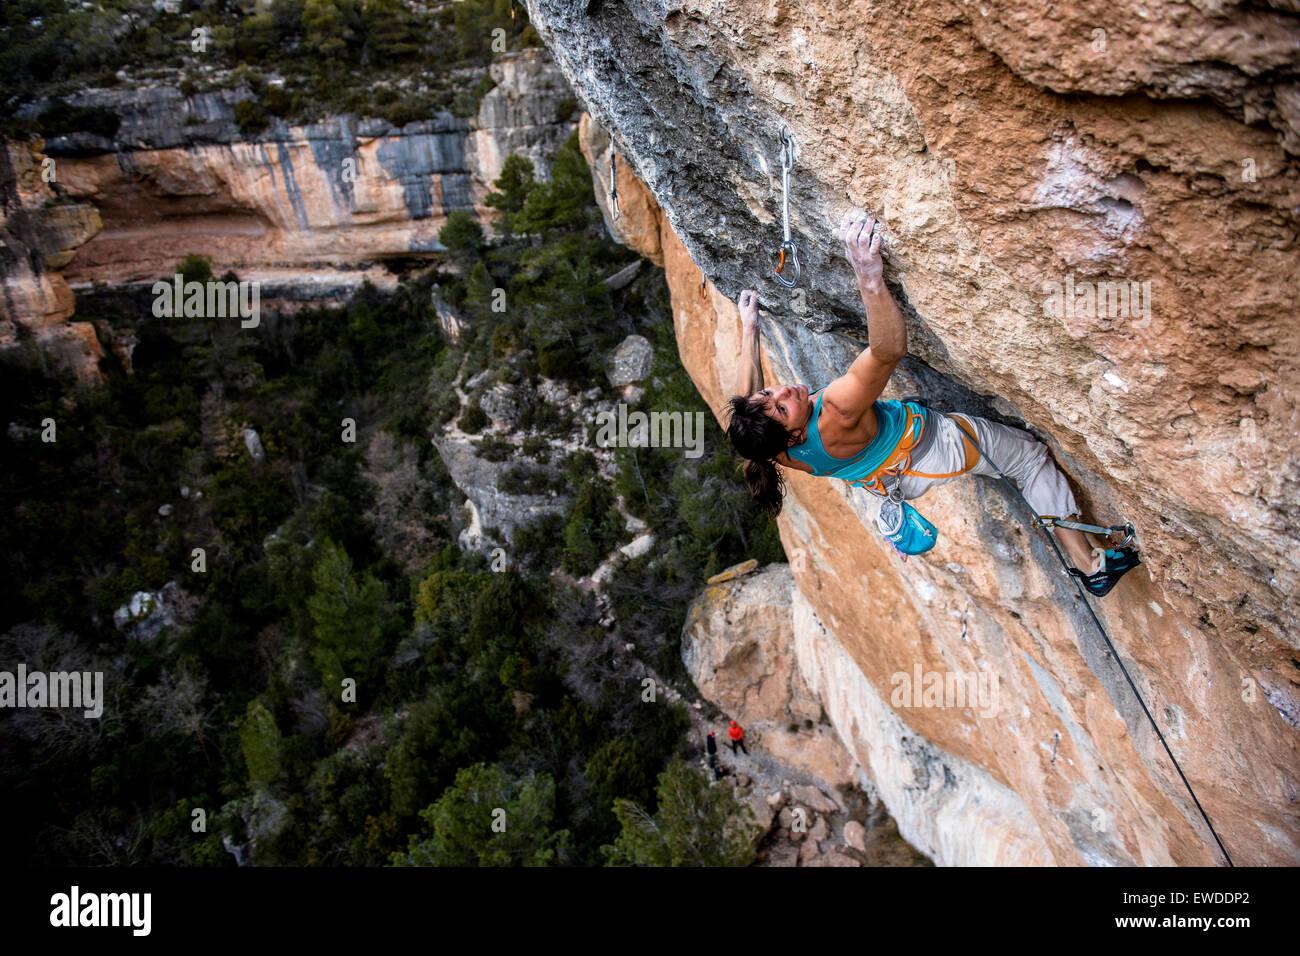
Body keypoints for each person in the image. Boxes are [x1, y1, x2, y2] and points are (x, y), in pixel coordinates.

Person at [724, 211, 1140, 596]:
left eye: (770, 394)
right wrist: (869, 277)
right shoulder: (835, 410)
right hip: (934, 448)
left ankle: (1088, 557)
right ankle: (1092, 567)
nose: (781, 393)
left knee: (757, 406)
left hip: (889, 479)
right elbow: (887, 350)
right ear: (793, 433)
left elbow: (747, 398)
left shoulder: (773, 450)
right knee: (1029, 461)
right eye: (781, 407)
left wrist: (750, 330)